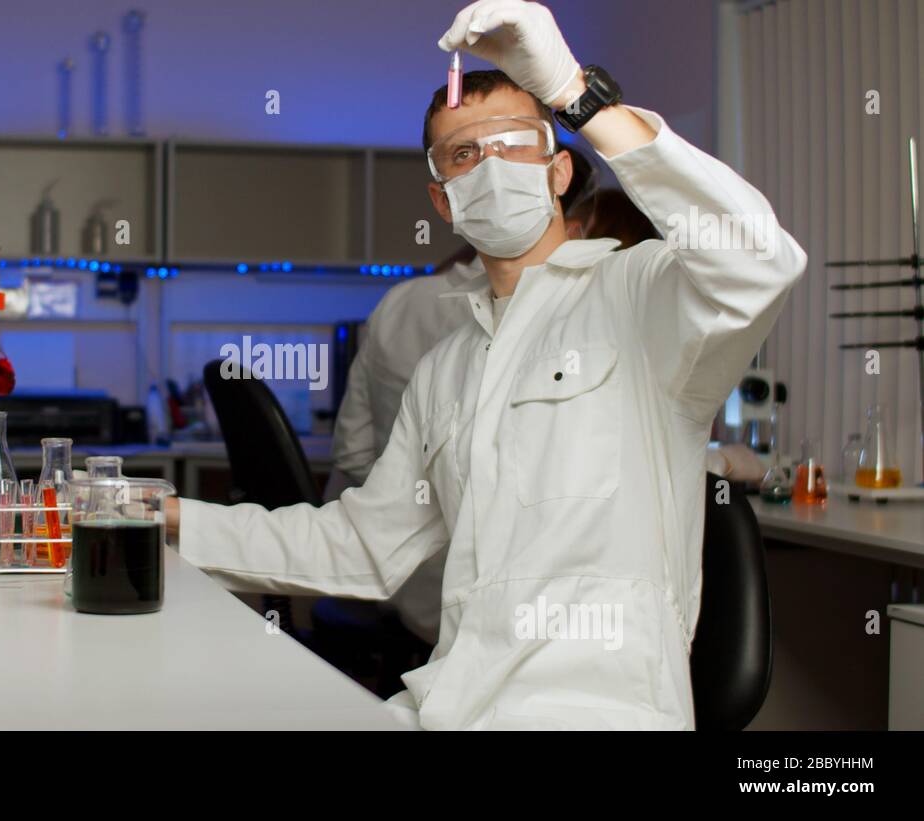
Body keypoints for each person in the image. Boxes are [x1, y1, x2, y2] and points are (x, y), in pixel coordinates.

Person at [166, 0, 806, 729]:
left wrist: (572, 89)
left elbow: (760, 259)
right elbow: (361, 546)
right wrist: (170, 517)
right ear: (443, 199)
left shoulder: (643, 299)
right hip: (453, 702)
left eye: (512, 142)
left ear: (560, 170)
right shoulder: (448, 367)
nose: (490, 164)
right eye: (464, 154)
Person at [327, 120, 597, 649]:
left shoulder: (400, 303)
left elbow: (353, 454)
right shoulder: (473, 348)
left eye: (514, 146)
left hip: (408, 590)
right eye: (469, 153)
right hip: (476, 619)